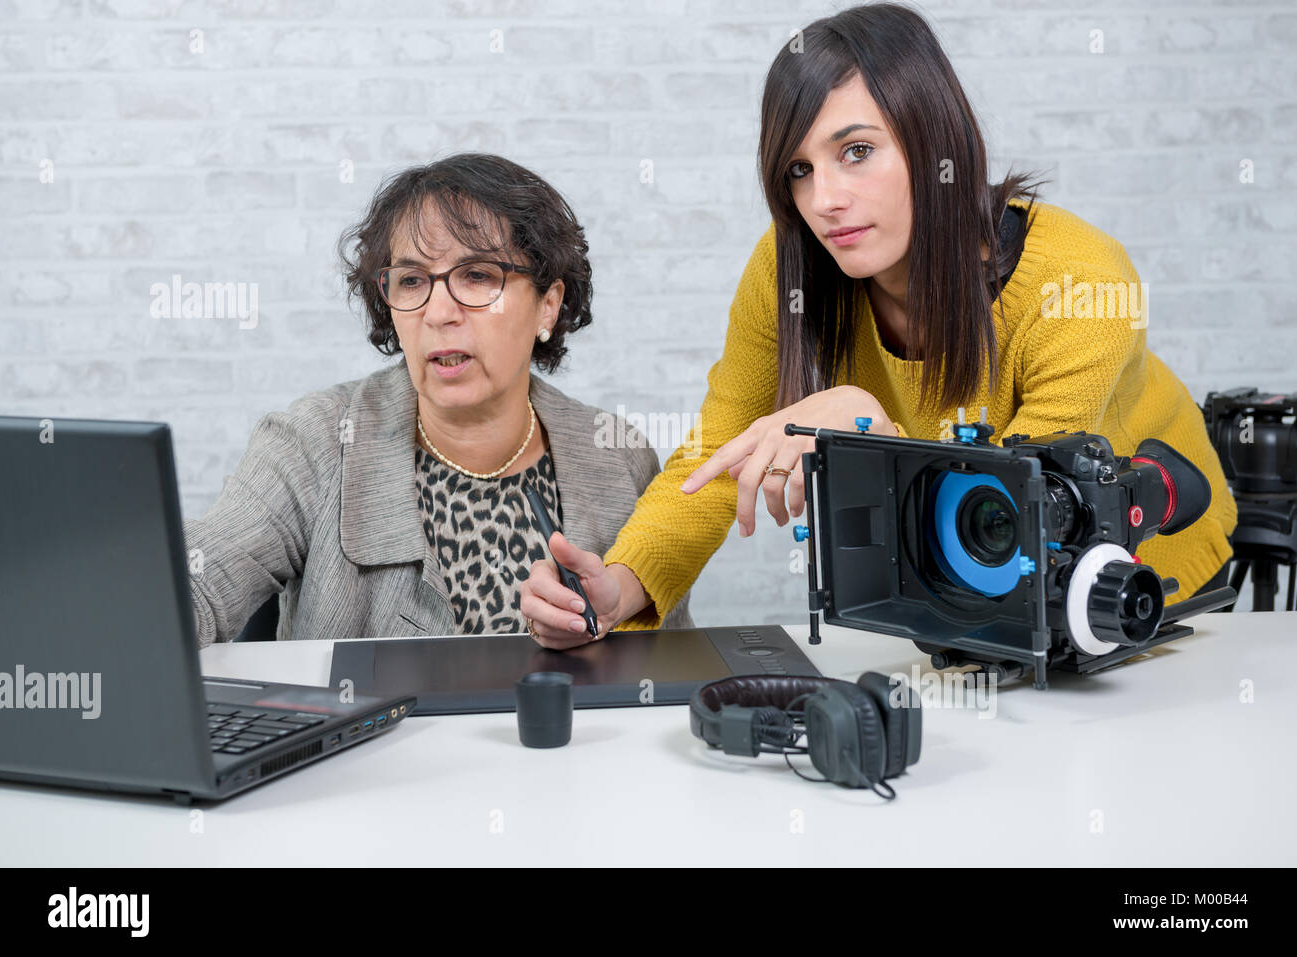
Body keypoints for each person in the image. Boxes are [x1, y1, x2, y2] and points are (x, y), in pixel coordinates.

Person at [519, 3, 1236, 645]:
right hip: (976, 601)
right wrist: (618, 588)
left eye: (856, 152)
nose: (823, 200)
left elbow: (1026, 519)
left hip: (1145, 578)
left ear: (935, 143)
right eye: (798, 170)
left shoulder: (1080, 280)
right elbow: (719, 452)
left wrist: (866, 427)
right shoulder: (791, 266)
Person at [185, 153, 692, 647]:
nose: (439, 312)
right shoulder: (312, 441)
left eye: (478, 275)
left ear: (548, 305)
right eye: (412, 281)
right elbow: (198, 582)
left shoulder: (617, 455)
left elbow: (665, 667)